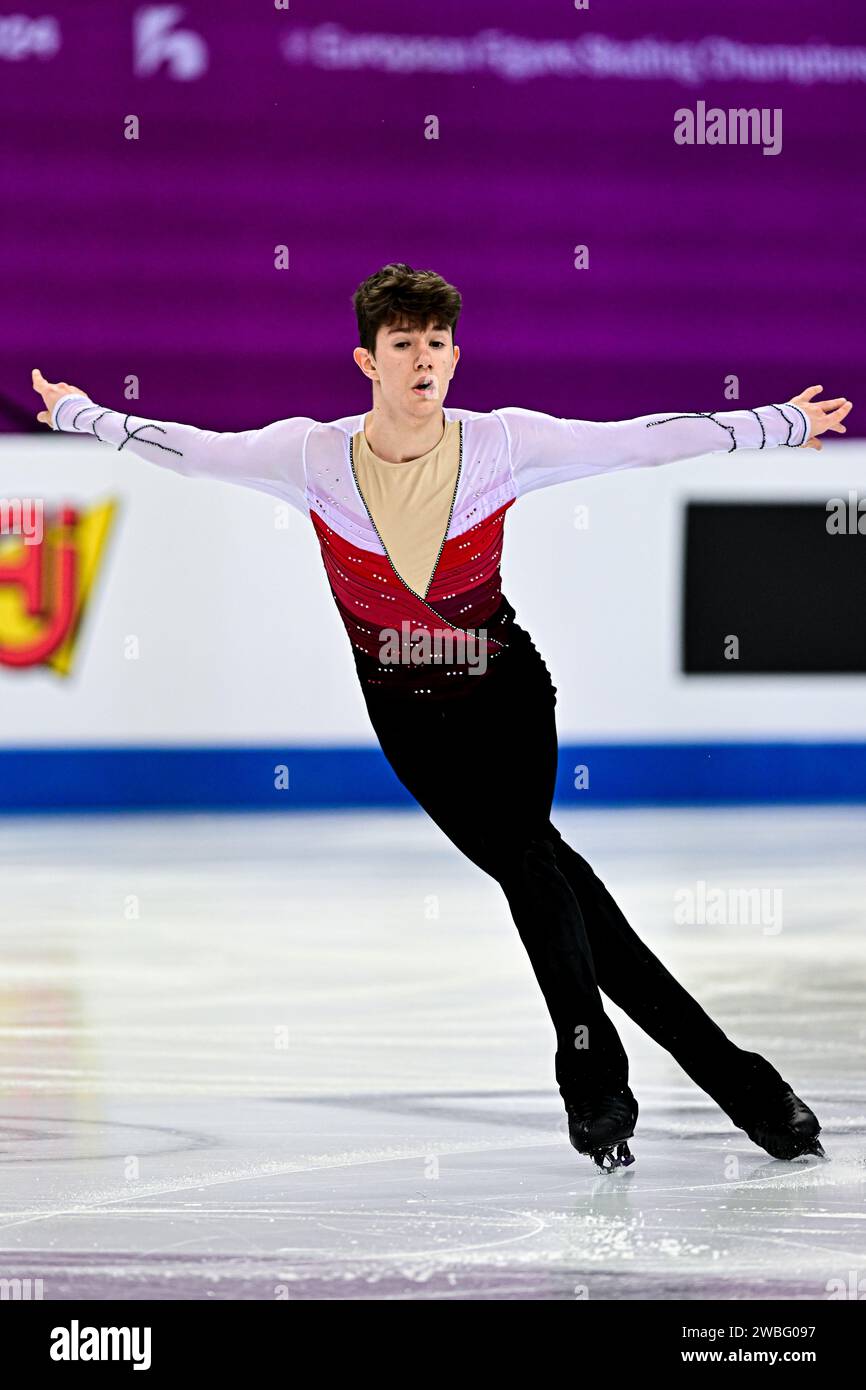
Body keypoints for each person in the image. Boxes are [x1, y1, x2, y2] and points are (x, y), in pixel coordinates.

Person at [33, 263, 851, 1171]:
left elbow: (638, 442)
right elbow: (189, 449)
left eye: (436, 345)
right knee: (555, 884)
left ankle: (598, 1082)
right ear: (367, 361)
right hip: (410, 719)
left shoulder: (504, 444)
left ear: (455, 357)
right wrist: (79, 414)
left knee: (534, 866)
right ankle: (741, 1085)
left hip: (505, 687)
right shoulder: (310, 458)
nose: (423, 362)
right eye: (403, 346)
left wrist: (773, 423)